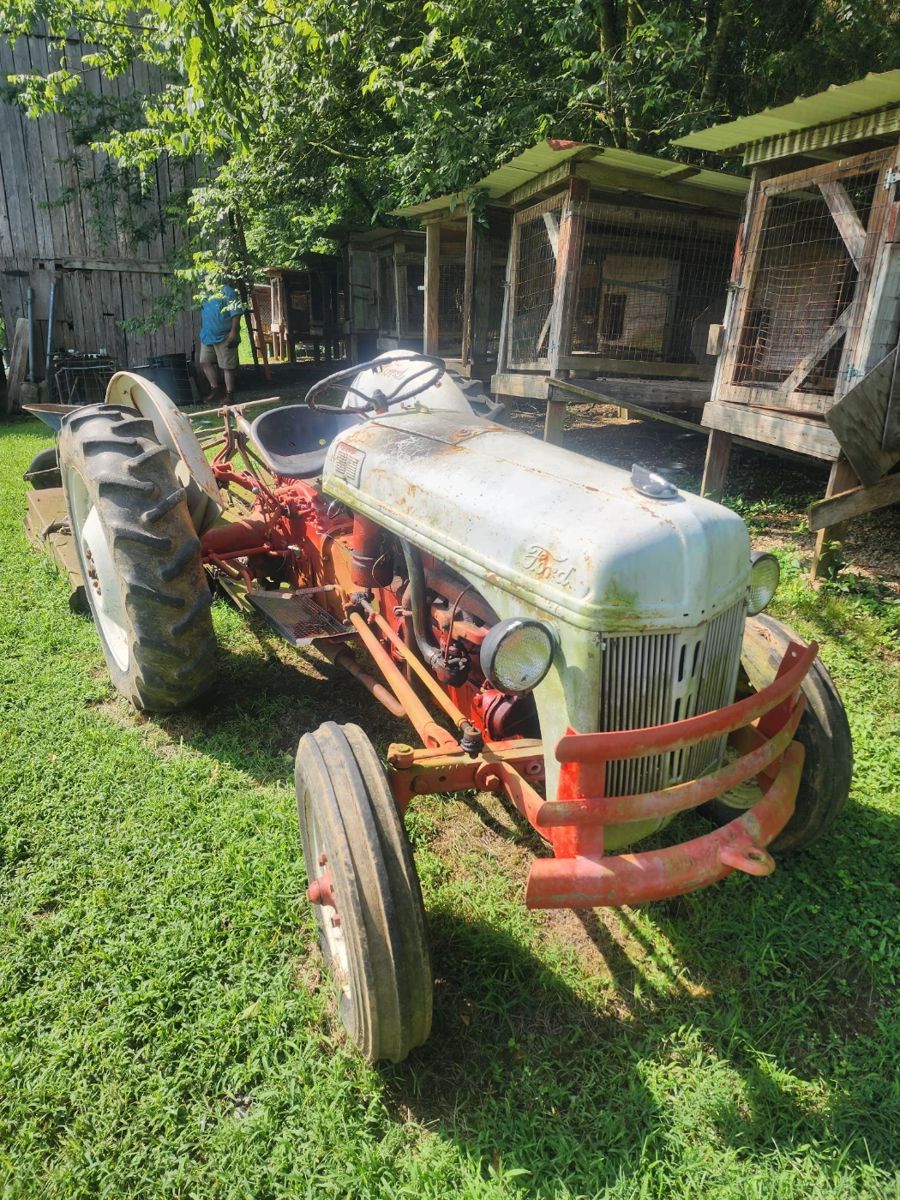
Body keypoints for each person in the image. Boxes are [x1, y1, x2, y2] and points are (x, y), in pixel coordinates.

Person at [199, 281, 244, 403]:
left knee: (227, 366)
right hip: (207, 336)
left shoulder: (227, 291)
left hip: (225, 335)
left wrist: (233, 332)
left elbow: (236, 313)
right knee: (205, 361)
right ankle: (215, 391)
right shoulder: (205, 293)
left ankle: (229, 394)